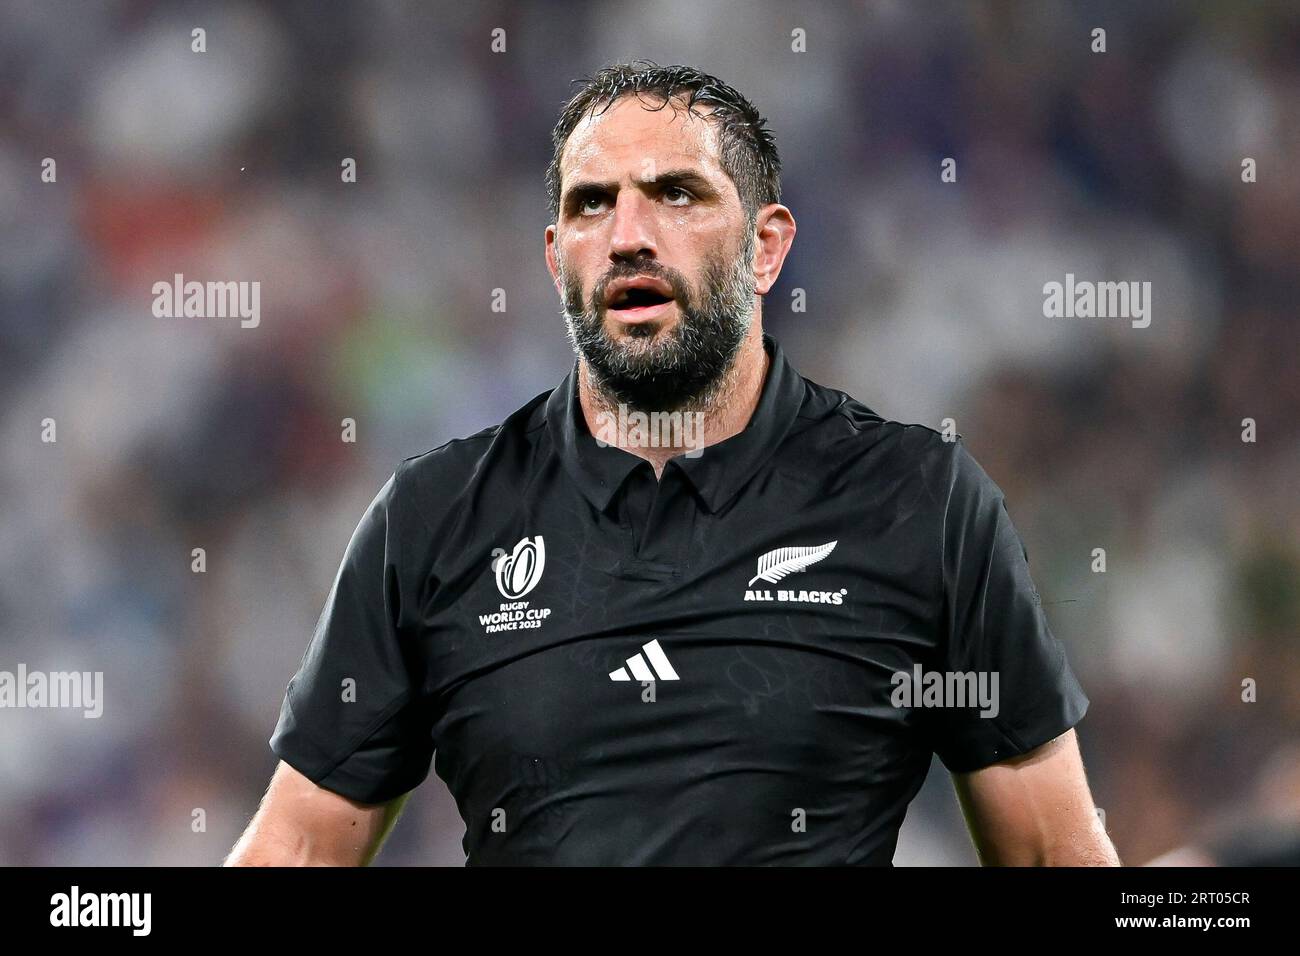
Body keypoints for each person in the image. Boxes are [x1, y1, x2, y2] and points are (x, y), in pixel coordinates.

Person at [226, 62, 1119, 866]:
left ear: (766, 247)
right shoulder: (434, 516)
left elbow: (1049, 850)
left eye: (675, 194)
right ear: (554, 258)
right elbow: (298, 848)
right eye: (591, 204)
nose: (627, 236)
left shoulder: (917, 502)